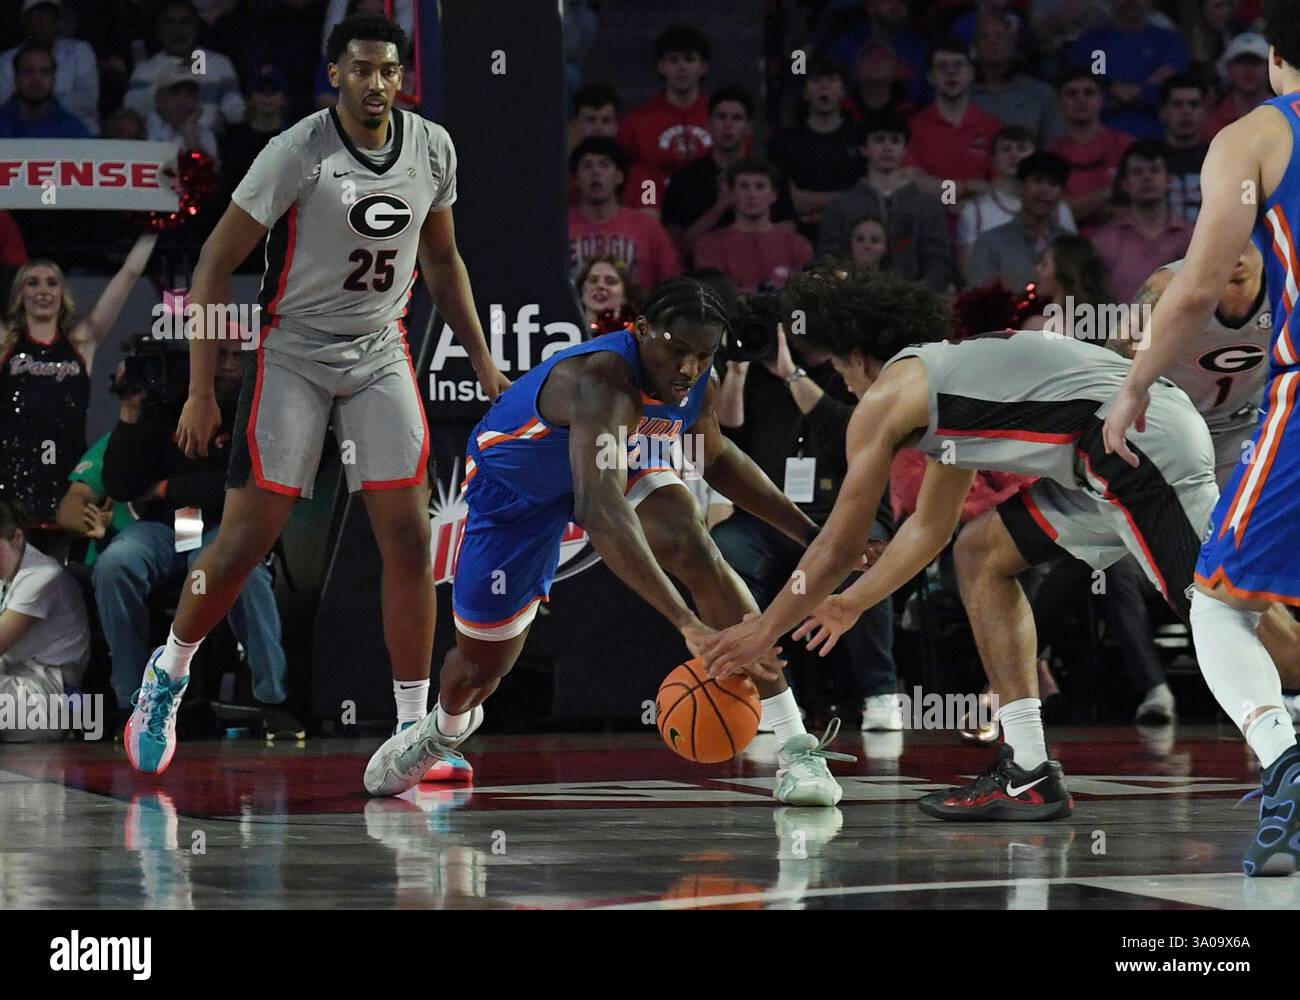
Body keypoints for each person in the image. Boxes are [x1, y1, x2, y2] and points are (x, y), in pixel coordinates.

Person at [121, 15, 509, 776]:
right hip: (292, 352)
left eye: (389, 71)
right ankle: (166, 674)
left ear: (402, 78)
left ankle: (413, 733)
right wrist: (202, 390)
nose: (376, 83)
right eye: (362, 69)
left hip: (379, 351)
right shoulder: (297, 149)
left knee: (409, 538)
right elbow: (210, 266)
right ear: (337, 74)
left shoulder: (432, 147)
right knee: (240, 546)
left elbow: (443, 260)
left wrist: (484, 363)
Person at [701, 267, 1219, 822]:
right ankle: (1028, 771)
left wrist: (765, 628)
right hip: (1101, 459)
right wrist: (852, 602)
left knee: (1225, 617)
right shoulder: (944, 380)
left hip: (1138, 444)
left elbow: (838, 544)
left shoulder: (889, 400)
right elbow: (931, 529)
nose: (842, 381)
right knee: (981, 554)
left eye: (835, 364)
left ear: (854, 353)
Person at [364, 278, 856, 806]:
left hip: (619, 462)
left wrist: (814, 537)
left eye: (703, 355)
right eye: (677, 352)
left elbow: (715, 460)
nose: (689, 369)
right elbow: (598, 509)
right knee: (481, 668)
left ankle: (796, 744)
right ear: (640, 330)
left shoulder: (694, 382)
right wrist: (684, 621)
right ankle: (442, 730)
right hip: (516, 491)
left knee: (696, 550)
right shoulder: (602, 380)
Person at [1104, 0, 1300, 872]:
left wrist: (1134, 384)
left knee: (1217, 600)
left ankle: (1285, 767)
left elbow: (1191, 285)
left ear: (1272, 61)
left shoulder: (1254, 136)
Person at [96, 334, 301, 741]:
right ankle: (135, 701)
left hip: (226, 524)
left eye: (235, 357)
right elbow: (121, 484)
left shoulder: (257, 407)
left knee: (227, 569)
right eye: (216, 355)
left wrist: (167, 488)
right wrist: (129, 409)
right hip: (170, 526)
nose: (225, 365)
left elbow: (233, 486)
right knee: (114, 565)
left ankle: (271, 699)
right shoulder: (167, 402)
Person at [713, 291, 902, 731]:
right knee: (727, 552)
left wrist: (791, 375)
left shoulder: (855, 369)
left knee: (865, 554)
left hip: (844, 514)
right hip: (770, 517)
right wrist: (739, 371)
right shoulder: (760, 367)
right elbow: (726, 442)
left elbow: (846, 430)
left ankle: (881, 691)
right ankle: (775, 694)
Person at [0, 234, 158, 524]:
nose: (43, 291)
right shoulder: (5, 341)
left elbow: (129, 274)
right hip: (9, 483)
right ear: (19, 293)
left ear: (63, 293)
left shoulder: (82, 340)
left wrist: (154, 226)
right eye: (32, 283)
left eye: (52, 282)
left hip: (66, 479)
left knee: (63, 565)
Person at [816, 111, 952, 289]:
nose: (888, 147)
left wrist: (917, 295)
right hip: (855, 306)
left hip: (915, 309)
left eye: (895, 141)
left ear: (905, 150)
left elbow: (939, 262)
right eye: (879, 140)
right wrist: (851, 292)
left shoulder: (927, 206)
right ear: (864, 148)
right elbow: (828, 260)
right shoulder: (842, 205)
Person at [660, 87, 794, 261]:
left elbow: (789, 231)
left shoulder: (770, 174)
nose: (728, 125)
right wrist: (720, 207)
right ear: (708, 125)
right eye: (721, 117)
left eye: (736, 118)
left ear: (749, 128)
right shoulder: (684, 178)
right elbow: (677, 248)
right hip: (703, 276)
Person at [0, 497, 90, 742]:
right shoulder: (8, 572)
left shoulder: (42, 576)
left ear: (17, 539)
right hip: (13, 681)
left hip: (49, 696)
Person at [768, 55, 865, 241]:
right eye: (815, 80)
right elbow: (788, 201)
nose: (823, 86)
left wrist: (810, 202)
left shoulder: (861, 139)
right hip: (798, 237)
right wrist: (846, 198)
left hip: (853, 235)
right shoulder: (784, 143)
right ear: (804, 92)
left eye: (831, 79)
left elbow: (866, 198)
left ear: (844, 90)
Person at [616, 24, 713, 208]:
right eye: (673, 60)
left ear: (703, 67)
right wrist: (649, 208)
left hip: (713, 214)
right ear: (661, 66)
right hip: (653, 211)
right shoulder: (635, 122)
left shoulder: (723, 117)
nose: (682, 67)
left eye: (689, 59)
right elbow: (628, 178)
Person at [957, 126, 1077, 275]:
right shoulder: (974, 211)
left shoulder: (1060, 209)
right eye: (1006, 149)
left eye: (1021, 149)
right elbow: (969, 272)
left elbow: (1073, 266)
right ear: (993, 159)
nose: (1014, 155)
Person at [568, 136, 682, 288]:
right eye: (587, 166)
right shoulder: (561, 227)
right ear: (576, 179)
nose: (595, 172)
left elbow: (674, 285)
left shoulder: (647, 228)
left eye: (604, 165)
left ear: (619, 176)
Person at [1067, 0, 1190, 139]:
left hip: (1160, 140)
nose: (1131, 2)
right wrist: (1145, 88)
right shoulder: (1097, 44)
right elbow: (1094, 85)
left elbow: (1172, 93)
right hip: (1101, 140)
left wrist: (1121, 92)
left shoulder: (1168, 43)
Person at [903, 40, 1004, 208]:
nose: (951, 72)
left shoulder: (993, 128)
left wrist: (956, 200)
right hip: (929, 227)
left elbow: (1002, 187)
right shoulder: (914, 126)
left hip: (982, 229)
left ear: (971, 73)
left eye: (958, 65)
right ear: (930, 77)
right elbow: (911, 182)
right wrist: (963, 189)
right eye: (942, 66)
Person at [1091, 139, 1194, 301]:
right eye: (1137, 172)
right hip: (1119, 325)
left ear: (1168, 180)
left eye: (1155, 170)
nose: (1147, 178)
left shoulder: (1193, 237)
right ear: (1124, 184)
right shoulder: (1104, 241)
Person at [692, 159, 813, 294]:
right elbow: (717, 293)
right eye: (744, 186)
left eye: (760, 186)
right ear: (732, 194)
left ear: (773, 195)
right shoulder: (710, 244)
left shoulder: (797, 244)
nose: (752, 194)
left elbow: (805, 294)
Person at [124, 0, 245, 134]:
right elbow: (133, 111)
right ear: (159, 28)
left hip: (209, 144)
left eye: (185, 22)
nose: (178, 29)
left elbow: (236, 113)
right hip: (159, 146)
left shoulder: (220, 63)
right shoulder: (144, 69)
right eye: (170, 22)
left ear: (196, 26)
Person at [965, 151, 1072, 291]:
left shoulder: (1072, 247)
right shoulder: (990, 243)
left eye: (1053, 183)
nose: (1045, 190)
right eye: (1037, 180)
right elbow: (976, 299)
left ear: (1062, 193)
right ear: (1020, 187)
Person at [1048, 69, 1136, 233]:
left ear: (1101, 99)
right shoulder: (1051, 154)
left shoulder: (1126, 145)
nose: (1081, 99)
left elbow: (1137, 209)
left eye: (1089, 93)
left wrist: (1080, 207)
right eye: (1072, 94)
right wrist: (1112, 190)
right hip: (1071, 247)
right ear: (1059, 102)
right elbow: (1056, 213)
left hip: (1125, 244)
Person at [0, 0, 98, 135]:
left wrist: (39, 101)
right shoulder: (6, 59)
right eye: (38, 16)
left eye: (50, 16)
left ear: (59, 21)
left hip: (77, 137)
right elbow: (3, 102)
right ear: (26, 21)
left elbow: (88, 102)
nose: (44, 22)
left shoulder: (80, 50)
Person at [971, 13, 1063, 148]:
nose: (993, 41)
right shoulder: (961, 93)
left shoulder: (1042, 94)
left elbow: (1053, 147)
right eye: (985, 36)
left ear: (1014, 45)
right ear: (975, 48)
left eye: (1000, 36)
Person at [0, 42, 90, 139]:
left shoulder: (73, 129)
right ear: (16, 77)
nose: (36, 79)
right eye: (28, 71)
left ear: (54, 80)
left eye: (45, 72)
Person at [1159, 73, 1211, 221]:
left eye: (1194, 104)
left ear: (1205, 111)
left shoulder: (1220, 159)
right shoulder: (1147, 160)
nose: (1186, 112)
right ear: (1163, 111)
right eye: (1177, 104)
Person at [1202, 32, 1273, 140]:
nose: (1248, 70)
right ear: (1227, 69)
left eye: (1255, 63)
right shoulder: (1212, 119)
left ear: (1270, 69)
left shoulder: (1288, 115)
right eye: (1241, 62)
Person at [146, 62, 220, 160]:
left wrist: (189, 134)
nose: (184, 101)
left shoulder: (205, 134)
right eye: (176, 93)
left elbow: (205, 171)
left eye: (190, 94)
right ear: (159, 99)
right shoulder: (143, 128)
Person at [575, 254, 640, 337]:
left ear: (625, 295)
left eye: (610, 282)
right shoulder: (565, 329)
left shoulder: (635, 336)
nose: (600, 285)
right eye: (593, 280)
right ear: (581, 291)